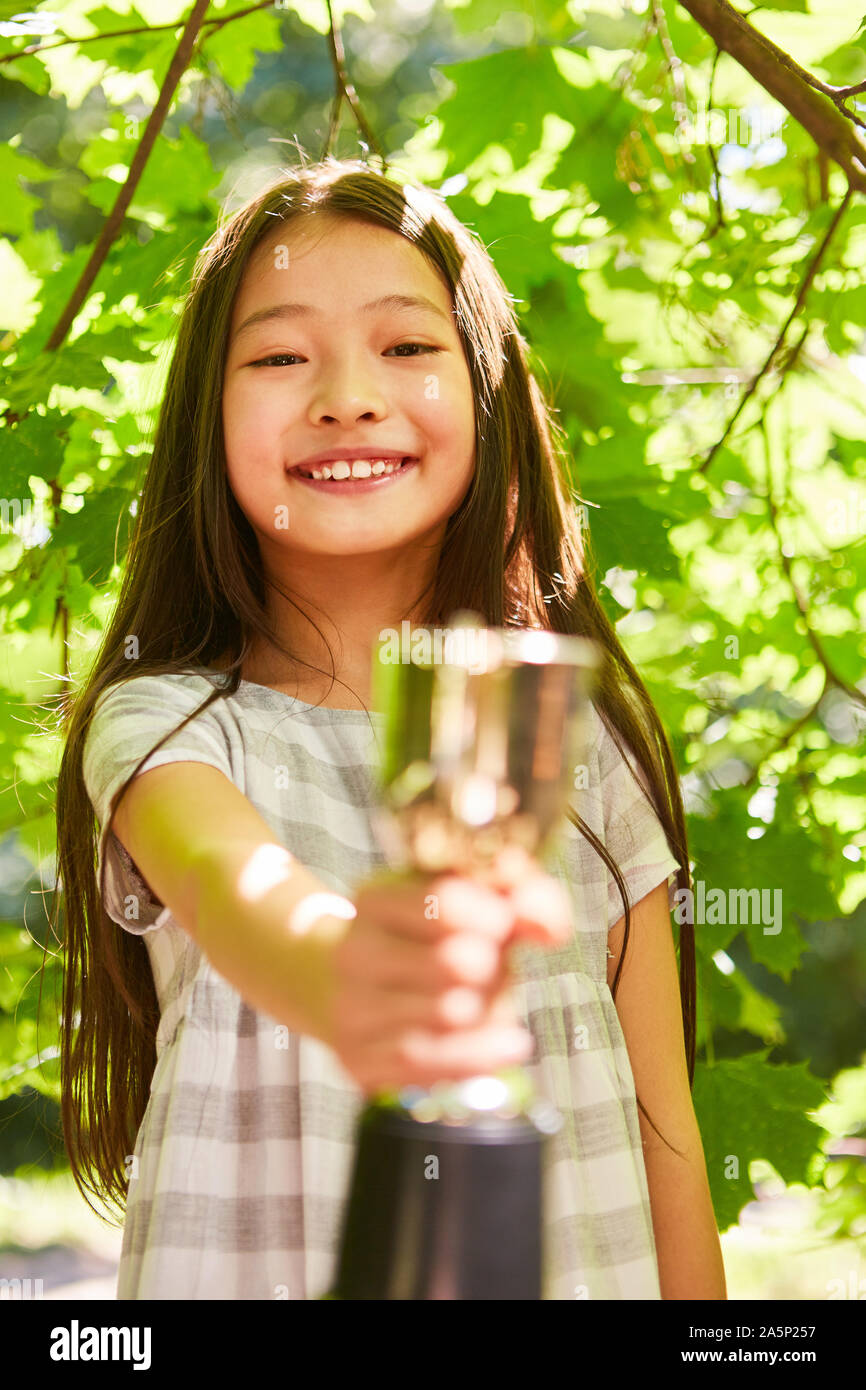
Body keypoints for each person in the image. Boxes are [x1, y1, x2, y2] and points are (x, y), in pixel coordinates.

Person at [53, 156, 726, 1301]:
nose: (347, 394)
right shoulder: (166, 720)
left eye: (406, 346)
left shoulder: (579, 741)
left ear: (488, 391)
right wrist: (344, 967)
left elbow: (667, 1142)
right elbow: (237, 889)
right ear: (202, 422)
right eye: (277, 356)